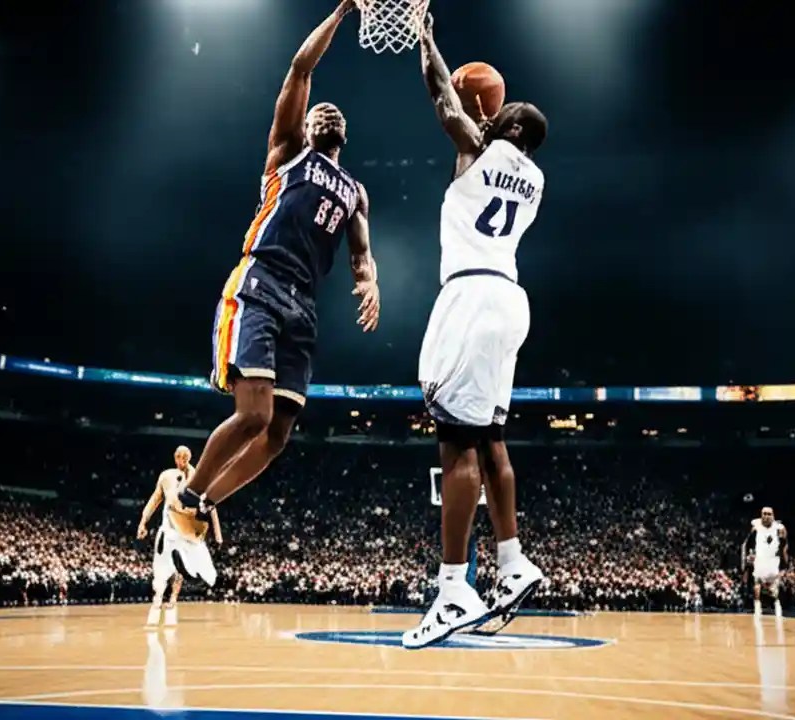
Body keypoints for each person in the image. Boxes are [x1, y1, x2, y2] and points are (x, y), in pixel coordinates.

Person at [177, 0, 380, 523]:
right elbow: (301, 68)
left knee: (279, 432)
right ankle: (186, 497)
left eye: (335, 115)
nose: (327, 113)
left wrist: (370, 282)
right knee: (253, 415)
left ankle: (204, 506)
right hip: (262, 282)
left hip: (303, 305)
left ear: (344, 135)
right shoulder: (287, 152)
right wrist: (342, 11)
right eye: (318, 112)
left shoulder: (355, 191)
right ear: (305, 128)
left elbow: (361, 252)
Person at [403, 13, 549, 650]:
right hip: (510, 299)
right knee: (491, 438)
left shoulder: (478, 149)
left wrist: (428, 43)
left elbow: (445, 100)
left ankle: (454, 586)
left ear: (506, 128)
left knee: (456, 444)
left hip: (470, 293)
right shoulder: (536, 180)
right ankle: (512, 560)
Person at [139, 446, 222, 627]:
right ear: (174, 457)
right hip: (168, 525)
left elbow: (211, 505)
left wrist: (218, 533)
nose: (181, 459)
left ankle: (173, 598)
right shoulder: (166, 476)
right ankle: (158, 597)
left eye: (184, 456)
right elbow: (155, 499)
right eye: (178, 456)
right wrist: (143, 521)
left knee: (181, 568)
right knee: (161, 566)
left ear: (189, 458)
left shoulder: (199, 476)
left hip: (187, 528)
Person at [744, 507, 788, 617]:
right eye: (764, 514)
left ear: (773, 516)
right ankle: (757, 606)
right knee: (757, 583)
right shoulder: (755, 525)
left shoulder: (780, 528)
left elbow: (784, 546)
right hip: (760, 558)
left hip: (773, 559)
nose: (766, 516)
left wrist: (785, 563)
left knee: (775, 586)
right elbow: (749, 542)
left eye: (769, 514)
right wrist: (750, 555)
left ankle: (777, 605)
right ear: (761, 515)